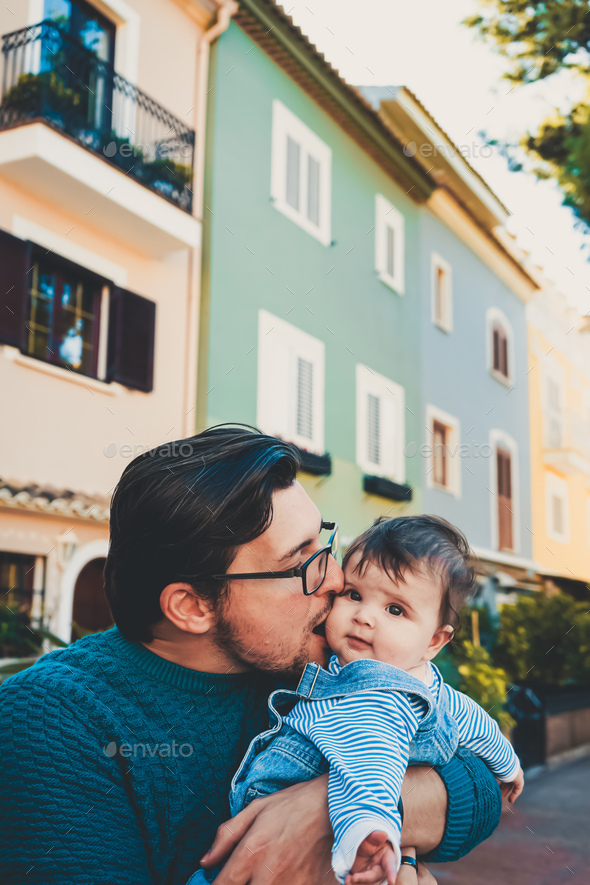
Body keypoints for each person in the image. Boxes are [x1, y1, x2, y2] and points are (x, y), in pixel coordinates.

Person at [0, 426, 503, 884]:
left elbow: (481, 787)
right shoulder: (52, 721)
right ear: (193, 606)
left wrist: (317, 811)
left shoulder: (317, 662)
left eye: (323, 544)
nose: (334, 580)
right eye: (298, 564)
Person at [196, 515, 523, 885]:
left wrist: (369, 829)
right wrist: (507, 765)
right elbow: (470, 719)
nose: (364, 617)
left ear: (435, 641)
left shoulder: (373, 695)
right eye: (354, 595)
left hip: (333, 839)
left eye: (395, 610)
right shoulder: (426, 682)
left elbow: (369, 765)